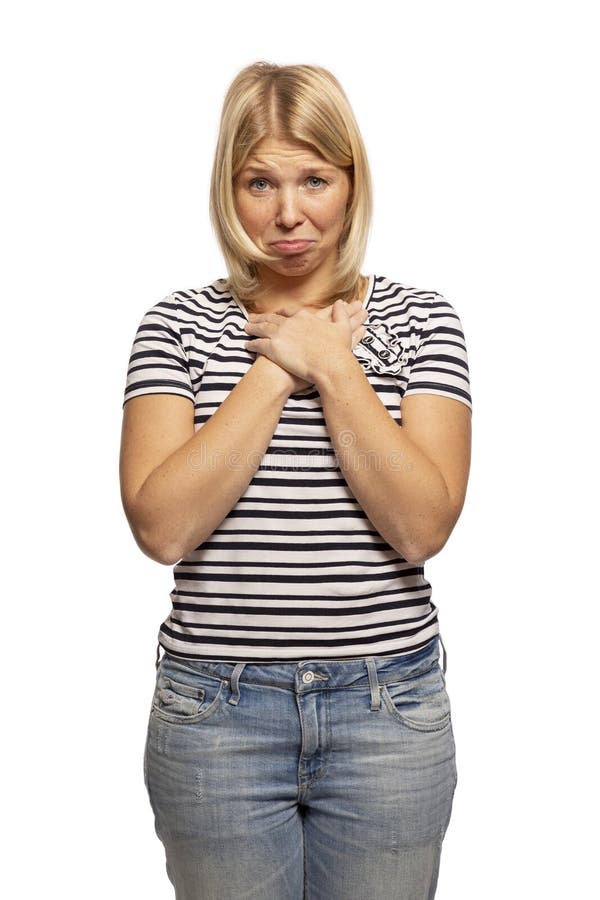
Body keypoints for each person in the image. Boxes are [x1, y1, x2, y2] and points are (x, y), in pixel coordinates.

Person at [119, 61, 472, 900]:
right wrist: (277, 371)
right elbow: (162, 528)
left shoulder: (423, 321)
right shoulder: (176, 324)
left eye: (314, 178)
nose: (287, 213)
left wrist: (333, 367)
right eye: (259, 182)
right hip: (216, 714)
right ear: (227, 189)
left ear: (351, 182)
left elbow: (422, 526)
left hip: (387, 706)